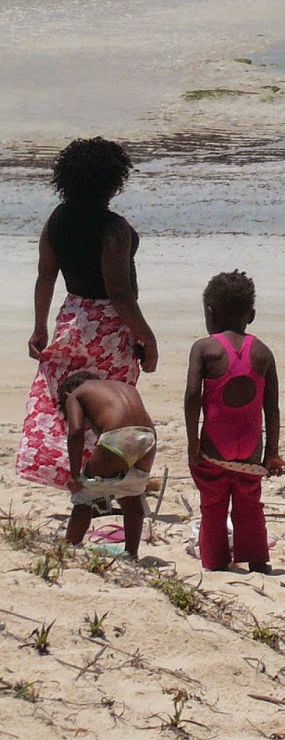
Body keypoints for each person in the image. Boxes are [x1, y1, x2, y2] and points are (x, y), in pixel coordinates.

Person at [17, 138, 158, 490]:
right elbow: (120, 293)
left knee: (64, 403)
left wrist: (39, 328)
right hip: (109, 326)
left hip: (72, 318)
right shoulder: (114, 228)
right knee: (110, 406)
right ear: (114, 181)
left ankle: (74, 477)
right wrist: (147, 337)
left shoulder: (57, 220)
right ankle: (103, 481)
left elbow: (46, 275)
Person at [184, 271, 285, 573]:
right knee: (249, 504)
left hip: (214, 446)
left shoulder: (204, 349)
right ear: (252, 315)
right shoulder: (263, 352)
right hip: (250, 448)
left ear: (209, 313)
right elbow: (272, 408)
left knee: (213, 505)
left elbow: (193, 396)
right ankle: (258, 562)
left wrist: (193, 441)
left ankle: (216, 563)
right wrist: (271, 452)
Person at [57, 372, 156, 559]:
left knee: (84, 494)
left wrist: (74, 474)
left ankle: (69, 548)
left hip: (120, 436)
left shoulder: (75, 395)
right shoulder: (123, 387)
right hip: (148, 437)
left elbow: (76, 431)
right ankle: (131, 553)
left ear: (66, 394)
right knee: (132, 495)